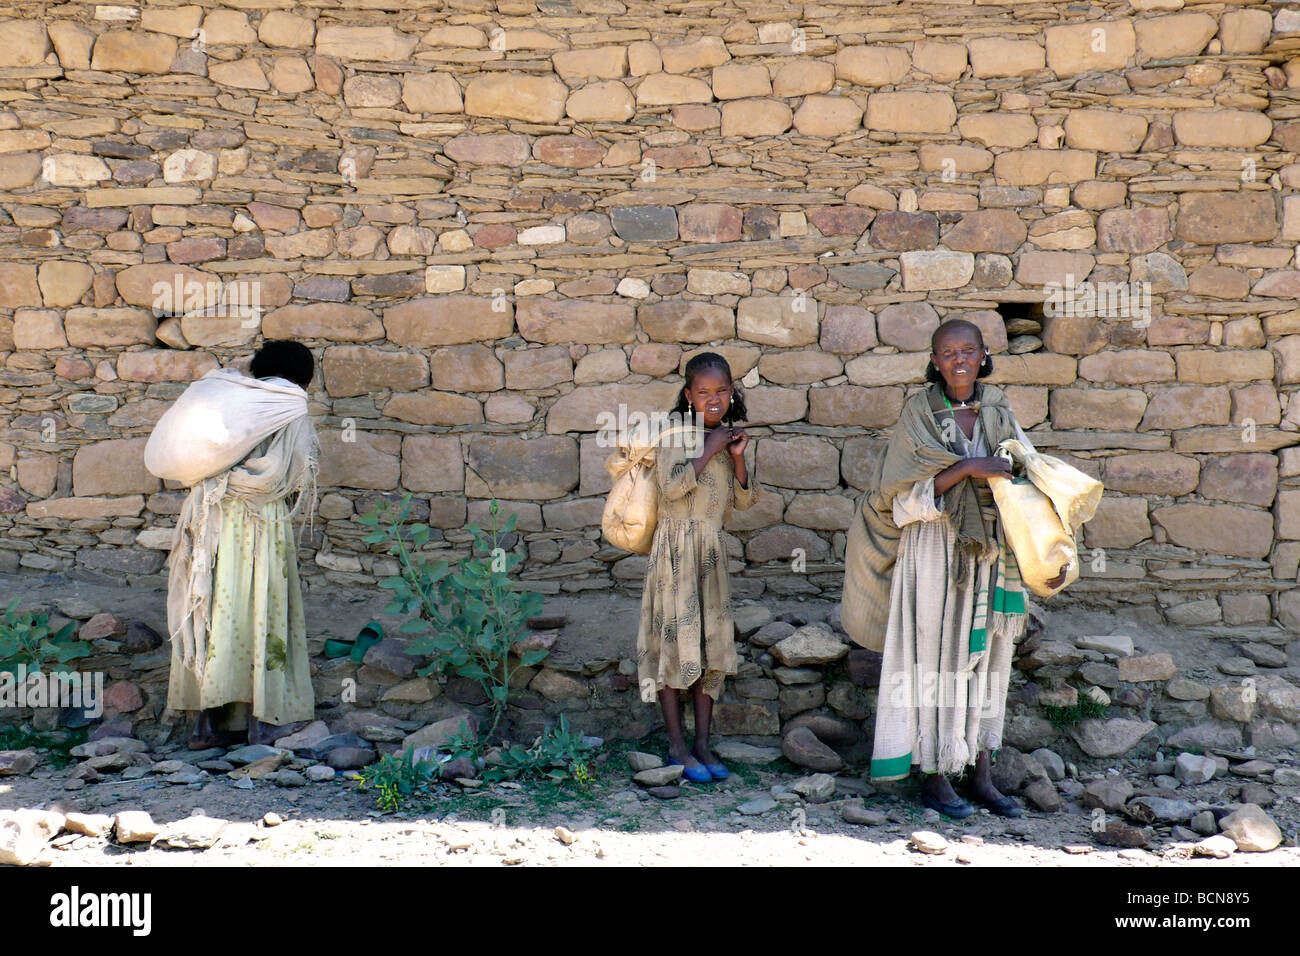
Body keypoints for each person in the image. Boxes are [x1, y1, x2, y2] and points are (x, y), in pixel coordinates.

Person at [844, 320, 1068, 818]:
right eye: (948, 352)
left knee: (988, 658)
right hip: (932, 547)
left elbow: (1029, 481)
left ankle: (980, 773)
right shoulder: (918, 415)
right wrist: (967, 468)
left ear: (984, 355)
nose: (959, 360)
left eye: (968, 350)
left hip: (990, 548)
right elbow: (898, 498)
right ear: (935, 360)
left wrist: (1047, 554)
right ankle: (935, 774)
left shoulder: (999, 411)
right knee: (933, 657)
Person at [164, 340, 320, 749]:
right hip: (259, 522)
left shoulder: (233, 403)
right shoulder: (290, 407)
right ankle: (262, 722)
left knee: (212, 608)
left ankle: (207, 726)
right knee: (259, 609)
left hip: (210, 518)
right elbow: (286, 474)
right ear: (302, 379)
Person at [636, 352, 762, 782]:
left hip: (710, 552)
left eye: (721, 391)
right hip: (675, 551)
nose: (713, 399)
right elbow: (670, 488)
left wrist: (737, 455)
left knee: (710, 650)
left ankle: (703, 744)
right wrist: (709, 449)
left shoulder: (727, 437)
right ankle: (676, 746)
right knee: (675, 648)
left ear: (732, 393)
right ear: (689, 395)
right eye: (703, 392)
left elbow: (744, 501)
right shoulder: (675, 433)